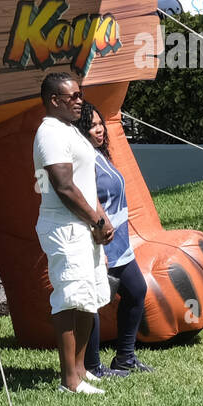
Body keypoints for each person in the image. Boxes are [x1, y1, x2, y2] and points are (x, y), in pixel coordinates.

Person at [33, 71, 113, 396]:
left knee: (86, 298)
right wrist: (95, 219)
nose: (80, 101)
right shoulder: (50, 132)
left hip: (82, 224)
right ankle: (69, 381)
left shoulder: (68, 130)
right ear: (54, 100)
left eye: (80, 94)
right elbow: (63, 185)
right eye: (74, 96)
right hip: (64, 226)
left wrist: (100, 219)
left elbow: (84, 181)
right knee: (69, 300)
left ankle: (80, 370)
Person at [77, 103, 153, 380]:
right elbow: (86, 202)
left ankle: (125, 357)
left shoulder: (99, 155)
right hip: (100, 245)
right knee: (92, 303)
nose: (98, 129)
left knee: (136, 291)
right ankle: (93, 366)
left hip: (120, 245)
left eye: (99, 124)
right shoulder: (82, 159)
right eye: (91, 126)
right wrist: (100, 241)